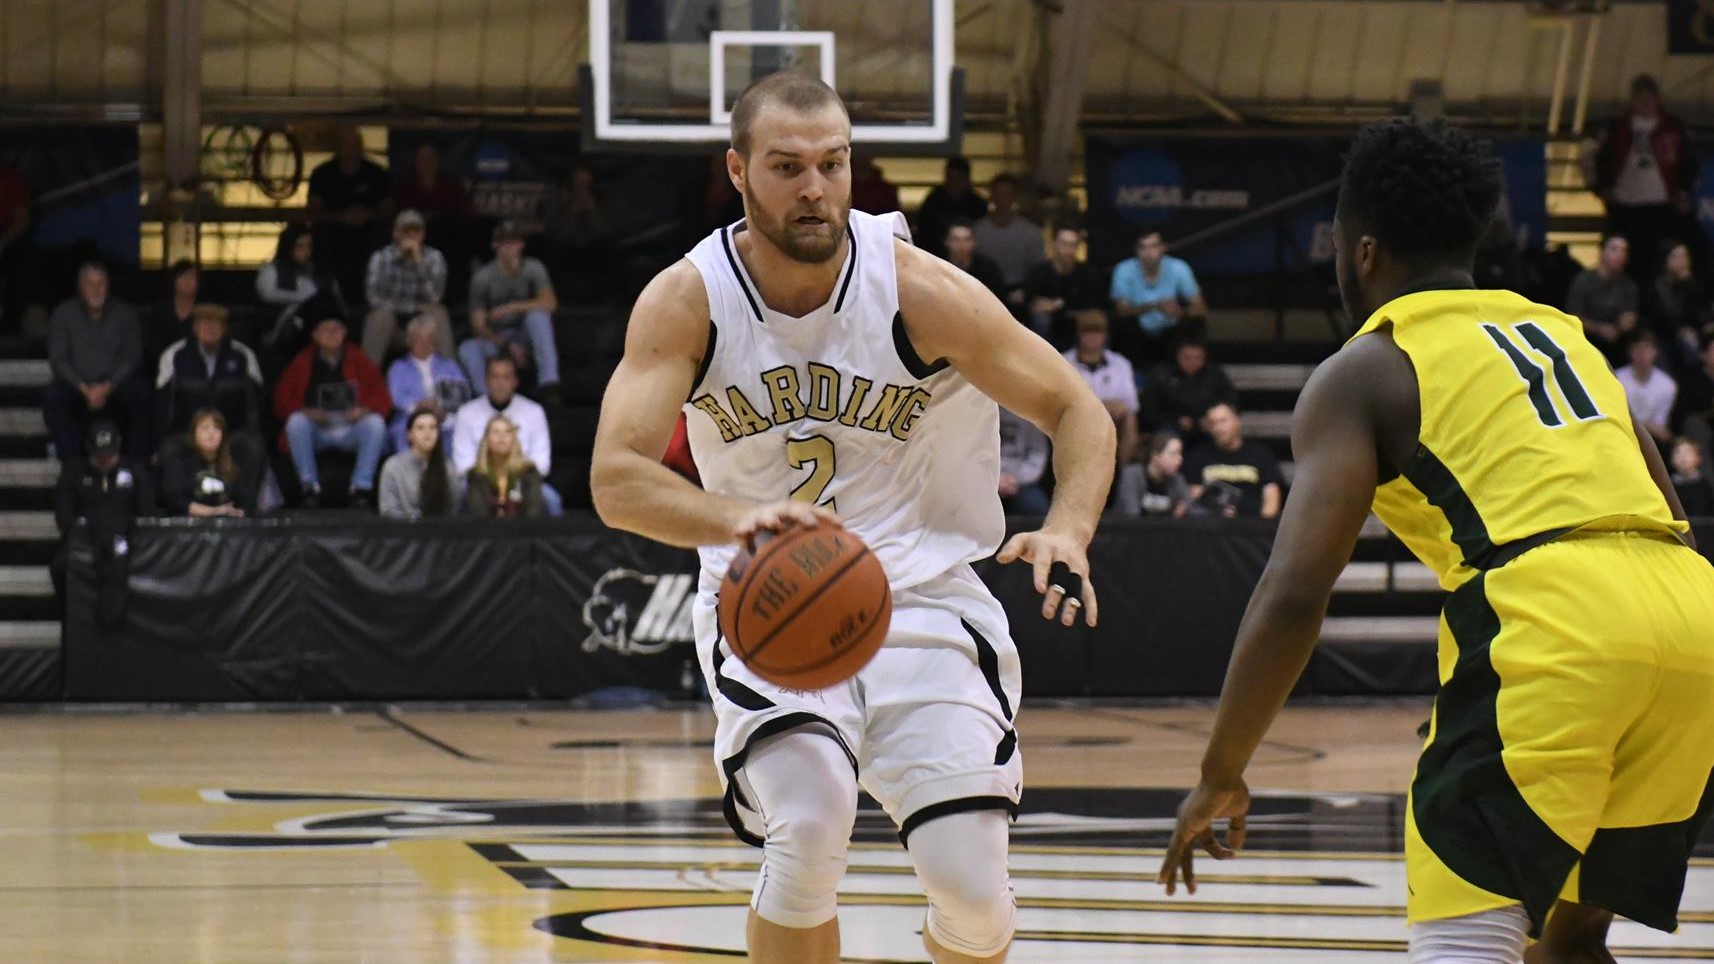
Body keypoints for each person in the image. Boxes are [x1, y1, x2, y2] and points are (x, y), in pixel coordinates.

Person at [1158, 118, 1714, 964]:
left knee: (1467, 938)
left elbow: (1297, 589)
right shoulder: (1564, 334)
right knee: (1569, 944)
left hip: (1562, 618)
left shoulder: (1366, 368)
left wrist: (1220, 768)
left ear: (1364, 253)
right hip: (1689, 613)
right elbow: (1663, 509)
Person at [589, 71, 1115, 964]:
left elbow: (1078, 410)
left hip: (926, 596)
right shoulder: (689, 300)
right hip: (772, 600)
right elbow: (617, 478)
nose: (815, 188)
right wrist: (740, 522)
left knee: (976, 898)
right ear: (738, 172)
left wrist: (1068, 526)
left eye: (832, 164)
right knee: (808, 824)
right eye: (788, 166)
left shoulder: (920, 290)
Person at [1588, 74, 1699, 286]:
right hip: (1624, 205)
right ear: (1633, 100)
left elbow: (1689, 161)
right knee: (1624, 261)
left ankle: (1657, 309)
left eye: (1650, 98)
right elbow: (1599, 159)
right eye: (1641, 98)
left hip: (1661, 205)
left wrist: (1684, 190)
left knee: (1659, 260)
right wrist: (1601, 188)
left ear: (1657, 99)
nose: (1646, 103)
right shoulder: (1618, 128)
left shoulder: (1672, 128)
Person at [273, 315, 391, 508]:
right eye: (326, 330)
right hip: (317, 427)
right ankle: (309, 486)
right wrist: (306, 411)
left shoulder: (358, 357)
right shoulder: (303, 361)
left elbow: (382, 396)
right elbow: (281, 400)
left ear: (344, 333)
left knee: (375, 423)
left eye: (336, 330)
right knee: (296, 422)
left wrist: (363, 410)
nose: (332, 335)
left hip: (350, 425)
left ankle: (361, 488)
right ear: (315, 335)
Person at [43, 262, 153, 461]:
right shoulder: (63, 314)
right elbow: (58, 359)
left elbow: (133, 357)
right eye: (90, 284)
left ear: (108, 285)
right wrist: (83, 388)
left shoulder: (125, 314)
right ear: (79, 287)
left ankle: (137, 465)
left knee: (142, 394)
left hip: (115, 384)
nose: (96, 289)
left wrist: (107, 387)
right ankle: (71, 464)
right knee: (53, 396)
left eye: (101, 283)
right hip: (77, 384)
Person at [50, 420, 154, 618]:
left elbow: (147, 512)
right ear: (89, 448)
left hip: (126, 539)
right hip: (85, 538)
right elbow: (64, 515)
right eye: (100, 455)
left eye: (109, 454)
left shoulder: (135, 471)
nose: (105, 460)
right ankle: (71, 620)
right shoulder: (74, 473)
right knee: (59, 565)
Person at [154, 303, 265, 484]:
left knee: (253, 447)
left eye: (216, 324)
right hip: (188, 433)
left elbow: (254, 406)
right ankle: (182, 504)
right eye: (205, 323)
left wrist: (255, 434)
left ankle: (243, 507)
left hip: (230, 433)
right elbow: (163, 404)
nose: (210, 329)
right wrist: (159, 442)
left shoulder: (243, 355)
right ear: (195, 327)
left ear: (224, 329)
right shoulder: (175, 355)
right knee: (169, 449)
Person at [459, 220, 560, 400]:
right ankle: (486, 398)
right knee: (468, 349)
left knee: (538, 317)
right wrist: (507, 345)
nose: (509, 247)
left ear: (521, 244)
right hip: (496, 338)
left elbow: (550, 303)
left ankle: (549, 383)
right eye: (504, 242)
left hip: (525, 336)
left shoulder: (533, 268)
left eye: (514, 242)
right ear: (495, 245)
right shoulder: (483, 277)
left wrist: (511, 307)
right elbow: (478, 325)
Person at [451, 356, 560, 515]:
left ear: (515, 381)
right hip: (479, 482)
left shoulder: (534, 411)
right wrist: (493, 478)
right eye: (495, 376)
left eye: (506, 377)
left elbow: (541, 464)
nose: (500, 383)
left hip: (523, 481)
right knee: (457, 493)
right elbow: (462, 464)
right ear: (486, 380)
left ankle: (545, 540)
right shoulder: (466, 413)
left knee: (552, 499)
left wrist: (511, 478)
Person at [307, 124, 393, 308]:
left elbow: (388, 208)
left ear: (361, 146)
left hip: (368, 233)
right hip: (335, 233)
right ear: (337, 147)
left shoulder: (376, 172)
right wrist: (341, 216)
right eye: (345, 145)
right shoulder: (322, 174)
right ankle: (327, 294)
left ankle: (378, 294)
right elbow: (314, 209)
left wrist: (367, 214)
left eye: (354, 145)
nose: (350, 150)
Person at [363, 209, 455, 366]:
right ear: (395, 233)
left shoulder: (434, 257)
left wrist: (419, 264)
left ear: (423, 234)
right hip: (391, 325)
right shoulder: (380, 258)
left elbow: (435, 297)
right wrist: (398, 259)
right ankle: (367, 380)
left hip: (422, 324)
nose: (411, 236)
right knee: (380, 316)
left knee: (439, 312)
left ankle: (452, 380)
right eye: (406, 231)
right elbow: (373, 298)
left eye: (416, 231)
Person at [1110, 230, 1206, 364]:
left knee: (1194, 322)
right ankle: (1130, 371)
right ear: (1136, 250)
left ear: (1163, 247)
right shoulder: (1124, 269)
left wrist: (1180, 312)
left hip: (1171, 329)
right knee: (1124, 324)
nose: (1148, 252)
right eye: (1143, 247)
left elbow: (1199, 307)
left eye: (1153, 246)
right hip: (1138, 331)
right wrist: (1156, 306)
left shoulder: (1179, 267)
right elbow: (1121, 310)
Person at [1063, 310, 1141, 465]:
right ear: (1079, 334)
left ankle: (1124, 475)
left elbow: (1132, 404)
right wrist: (1098, 408)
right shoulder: (1064, 362)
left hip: (1113, 422)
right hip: (1078, 422)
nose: (1093, 337)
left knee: (1129, 418)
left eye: (1097, 332)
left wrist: (1113, 408)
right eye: (1087, 332)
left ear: (1105, 335)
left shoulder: (1120, 364)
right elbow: (1062, 402)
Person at [1182, 402, 1282, 519]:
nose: (1218, 428)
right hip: (1211, 529)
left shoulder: (1260, 455)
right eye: (1213, 423)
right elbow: (1194, 498)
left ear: (1237, 421)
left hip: (1252, 529)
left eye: (1223, 421)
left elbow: (1272, 498)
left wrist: (1263, 528)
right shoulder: (1198, 457)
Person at [386, 314, 470, 453]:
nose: (425, 343)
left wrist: (443, 412)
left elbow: (461, 396)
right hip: (411, 417)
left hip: (444, 418)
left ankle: (453, 474)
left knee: (461, 427)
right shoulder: (398, 367)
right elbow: (396, 397)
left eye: (429, 338)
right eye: (419, 338)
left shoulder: (449, 366)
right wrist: (419, 406)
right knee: (401, 431)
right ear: (409, 341)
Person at [159, 409, 262, 518]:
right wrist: (214, 511)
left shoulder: (233, 460)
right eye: (205, 428)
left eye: (217, 428)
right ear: (194, 433)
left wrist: (239, 512)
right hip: (188, 523)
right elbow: (176, 501)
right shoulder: (181, 458)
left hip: (226, 524)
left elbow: (243, 501)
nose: (211, 432)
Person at [256, 224, 339, 355]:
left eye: (309, 246)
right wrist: (302, 299)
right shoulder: (272, 270)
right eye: (300, 247)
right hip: (283, 331)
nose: (306, 251)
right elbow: (268, 294)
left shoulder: (321, 274)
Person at [1142, 334, 1239, 440]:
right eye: (1187, 357)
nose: (1192, 362)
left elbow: (1231, 402)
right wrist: (1176, 419)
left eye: (1197, 357)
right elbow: (1149, 412)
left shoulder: (1215, 374)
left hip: (1208, 424)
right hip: (1172, 426)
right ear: (1177, 356)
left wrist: (1211, 419)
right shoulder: (1161, 375)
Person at [1022, 225, 1105, 345]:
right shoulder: (1038, 273)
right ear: (1054, 244)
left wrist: (1058, 305)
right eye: (1064, 243)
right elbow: (1030, 304)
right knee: (1041, 319)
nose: (1068, 249)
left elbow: (1093, 308)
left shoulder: (1088, 274)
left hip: (1076, 325)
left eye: (1073, 245)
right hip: (1047, 326)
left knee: (1096, 322)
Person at [972, 173, 1044, 310]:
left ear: (1014, 197)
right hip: (984, 292)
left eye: (1007, 194)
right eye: (998, 194)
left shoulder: (1030, 231)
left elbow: (1038, 270)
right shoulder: (978, 230)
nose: (1002, 199)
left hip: (1020, 292)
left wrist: (1027, 291)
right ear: (991, 196)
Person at [1565, 234, 1639, 366]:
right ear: (1602, 252)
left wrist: (1627, 322)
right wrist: (1599, 329)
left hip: (1618, 342)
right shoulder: (1583, 281)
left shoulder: (1628, 285)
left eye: (1624, 251)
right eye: (1614, 249)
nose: (1620, 255)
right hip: (1587, 341)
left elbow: (1630, 314)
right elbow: (1573, 315)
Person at [379, 409, 458, 520]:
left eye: (433, 427)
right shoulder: (393, 466)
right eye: (420, 428)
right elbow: (388, 510)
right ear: (409, 435)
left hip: (441, 533)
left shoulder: (448, 468)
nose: (427, 433)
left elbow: (452, 510)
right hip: (401, 533)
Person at [463, 414, 546, 518]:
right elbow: (477, 513)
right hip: (485, 531)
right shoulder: (476, 474)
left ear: (514, 439)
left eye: (507, 432)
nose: (502, 437)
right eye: (496, 432)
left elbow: (534, 511)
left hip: (523, 530)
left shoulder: (528, 471)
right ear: (486, 440)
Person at [1644, 240, 1705, 373]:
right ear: (1665, 260)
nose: (1681, 261)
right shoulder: (1656, 286)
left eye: (1684, 256)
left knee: (1692, 341)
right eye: (1675, 256)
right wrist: (1679, 329)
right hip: (1662, 334)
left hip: (1690, 333)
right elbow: (1658, 316)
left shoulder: (1692, 284)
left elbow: (1698, 314)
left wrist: (1687, 285)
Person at [914, 156, 990, 260]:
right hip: (935, 257)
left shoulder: (977, 203)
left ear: (967, 179)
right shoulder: (934, 200)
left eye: (959, 178)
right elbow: (923, 233)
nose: (954, 183)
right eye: (951, 178)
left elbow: (984, 235)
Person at [1616, 330, 1677, 444]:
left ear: (1655, 351)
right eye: (1637, 349)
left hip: (1650, 439)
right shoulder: (1617, 379)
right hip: (1621, 432)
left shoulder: (1667, 385)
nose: (1642, 353)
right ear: (1630, 352)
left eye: (1646, 348)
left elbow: (1660, 427)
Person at [1115, 433, 1193, 518]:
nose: (1180, 459)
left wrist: (1185, 511)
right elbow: (1131, 512)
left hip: (1166, 530)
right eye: (1173, 454)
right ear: (1156, 457)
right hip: (1132, 529)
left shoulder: (1177, 479)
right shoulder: (1132, 475)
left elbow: (1192, 508)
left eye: (1180, 454)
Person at [144, 260, 199, 368]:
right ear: (174, 281)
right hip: (165, 366)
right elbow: (153, 345)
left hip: (197, 368)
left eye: (191, 276)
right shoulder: (162, 310)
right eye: (182, 276)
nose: (187, 280)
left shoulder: (205, 310)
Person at [997, 407, 1050, 516]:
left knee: (1036, 506)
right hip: (983, 482)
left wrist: (1016, 480)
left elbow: (1037, 458)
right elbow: (969, 455)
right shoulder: (979, 411)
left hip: (1021, 483)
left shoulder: (1030, 415)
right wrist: (994, 480)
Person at [944, 219, 1005, 300]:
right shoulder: (937, 267)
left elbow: (997, 300)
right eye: (956, 239)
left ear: (974, 242)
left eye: (967, 239)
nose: (961, 245)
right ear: (947, 242)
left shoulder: (988, 268)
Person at [1669, 437, 1714, 518]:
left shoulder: (1706, 486)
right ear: (1671, 459)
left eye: (1688, 452)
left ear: (1698, 458)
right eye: (1678, 452)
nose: (1683, 456)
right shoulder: (1667, 486)